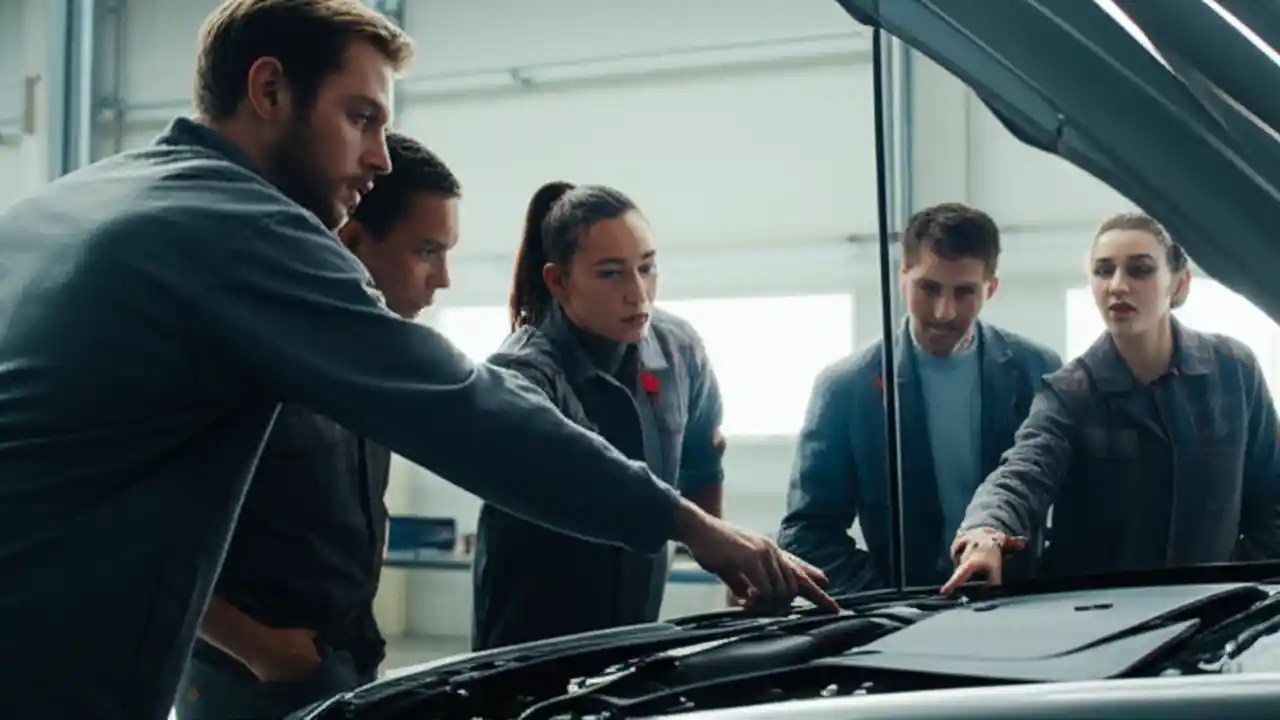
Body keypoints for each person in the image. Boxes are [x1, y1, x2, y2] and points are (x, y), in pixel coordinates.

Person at [0, 2, 833, 719]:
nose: (381, 157)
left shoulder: (69, 202)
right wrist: (694, 528)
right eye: (362, 118)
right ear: (269, 90)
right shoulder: (240, 229)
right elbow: (467, 411)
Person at [176, 131, 460, 720]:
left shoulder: (375, 364)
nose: (443, 279)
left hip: (344, 660)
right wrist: (259, 649)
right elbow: (152, 536)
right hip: (251, 682)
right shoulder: (249, 352)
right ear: (352, 241)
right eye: (427, 252)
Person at [944, 212, 1280, 593]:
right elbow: (1022, 473)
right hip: (1105, 621)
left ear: (1179, 283)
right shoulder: (1071, 393)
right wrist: (985, 532)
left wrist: (1240, 587)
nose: (1118, 286)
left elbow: (1272, 500)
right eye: (1104, 271)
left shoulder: (1235, 372)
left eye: (1140, 270)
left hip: (1215, 614)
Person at [471, 182, 730, 651]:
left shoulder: (679, 349)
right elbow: (586, 479)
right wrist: (695, 527)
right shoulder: (523, 374)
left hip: (632, 635)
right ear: (558, 281)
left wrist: (729, 562)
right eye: (611, 274)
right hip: (530, 643)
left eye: (647, 267)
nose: (638, 293)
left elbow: (702, 461)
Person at [777, 203, 1062, 594]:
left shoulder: (1038, 369)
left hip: (1019, 606)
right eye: (928, 288)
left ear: (991, 289)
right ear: (902, 278)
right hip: (901, 613)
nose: (943, 312)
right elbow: (807, 533)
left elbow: (1073, 504)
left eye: (964, 292)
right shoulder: (845, 388)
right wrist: (888, 599)